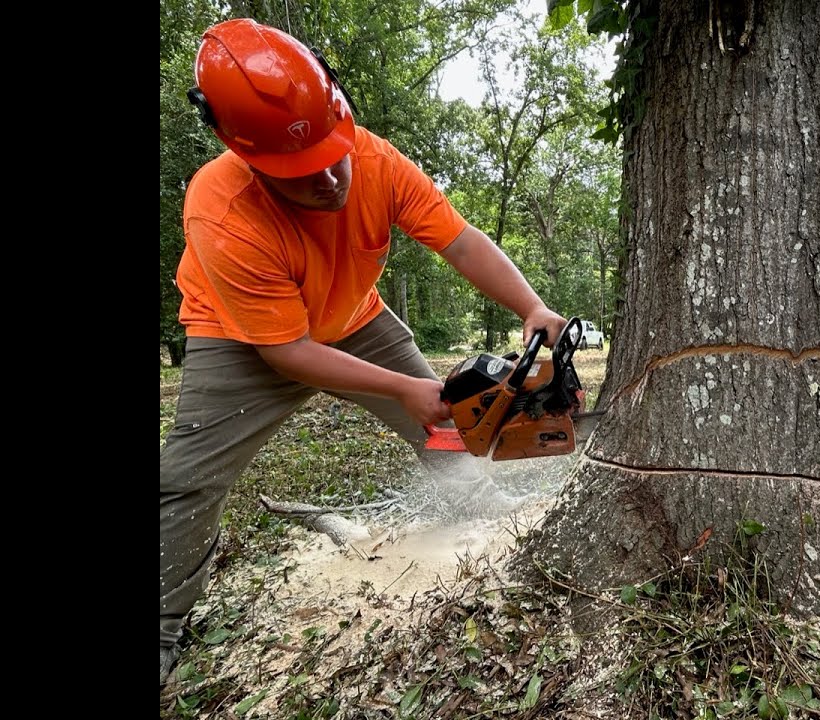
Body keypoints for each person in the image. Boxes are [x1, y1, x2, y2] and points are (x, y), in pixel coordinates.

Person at [160, 18, 568, 685]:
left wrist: (531, 307)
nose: (328, 180)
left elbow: (460, 241)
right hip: (240, 336)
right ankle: (161, 625)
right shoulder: (221, 206)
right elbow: (288, 351)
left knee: (446, 428)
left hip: (352, 315)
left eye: (333, 155)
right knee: (187, 480)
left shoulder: (376, 160)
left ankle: (477, 513)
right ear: (249, 159)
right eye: (301, 174)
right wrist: (404, 387)